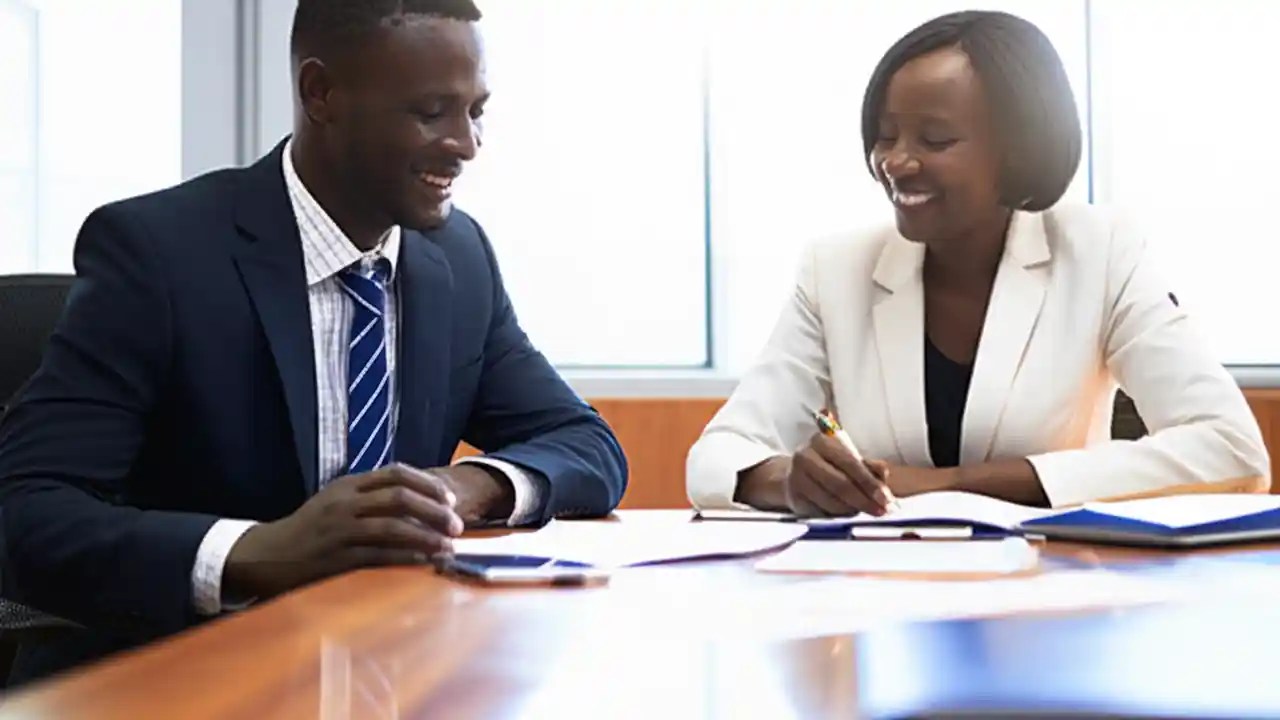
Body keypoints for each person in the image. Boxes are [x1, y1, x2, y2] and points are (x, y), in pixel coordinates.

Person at [0, 0, 627, 683]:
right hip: (174, 678)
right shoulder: (159, 254)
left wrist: (460, 491)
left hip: (390, 668)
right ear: (320, 92)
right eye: (430, 112)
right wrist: (261, 549)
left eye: (475, 111)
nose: (466, 144)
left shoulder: (457, 259)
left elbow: (585, 444)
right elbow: (27, 512)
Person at [685, 10, 1268, 516]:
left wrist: (948, 486)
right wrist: (789, 481)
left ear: (1018, 148)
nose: (896, 163)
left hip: (1052, 585)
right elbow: (717, 457)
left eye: (935, 140)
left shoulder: (1100, 250)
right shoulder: (836, 269)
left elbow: (1232, 450)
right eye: (885, 136)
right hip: (882, 588)